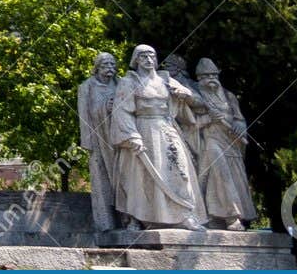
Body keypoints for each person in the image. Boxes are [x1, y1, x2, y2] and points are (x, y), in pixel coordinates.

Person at [109, 44, 206, 230]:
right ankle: (137, 218)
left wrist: (186, 94)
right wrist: (131, 135)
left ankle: (185, 214)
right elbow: (121, 111)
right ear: (136, 60)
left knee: (180, 170)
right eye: (144, 56)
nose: (149, 60)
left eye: (152, 56)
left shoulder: (165, 80)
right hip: (143, 129)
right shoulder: (129, 82)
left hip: (167, 128)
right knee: (140, 176)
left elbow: (199, 103)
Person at [191, 59, 257, 229]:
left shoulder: (229, 96)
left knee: (230, 178)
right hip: (209, 141)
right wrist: (208, 118)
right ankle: (232, 216)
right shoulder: (196, 98)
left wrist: (239, 125)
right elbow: (189, 124)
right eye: (206, 76)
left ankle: (215, 216)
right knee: (222, 174)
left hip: (231, 143)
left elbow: (239, 119)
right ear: (199, 78)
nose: (211, 78)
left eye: (214, 75)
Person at [77, 51, 121, 231]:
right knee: (102, 180)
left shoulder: (121, 84)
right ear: (97, 68)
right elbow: (84, 115)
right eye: (105, 65)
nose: (109, 68)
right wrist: (88, 141)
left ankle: (128, 218)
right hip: (99, 140)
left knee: (123, 177)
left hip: (120, 138)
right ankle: (106, 223)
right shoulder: (87, 86)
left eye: (112, 65)